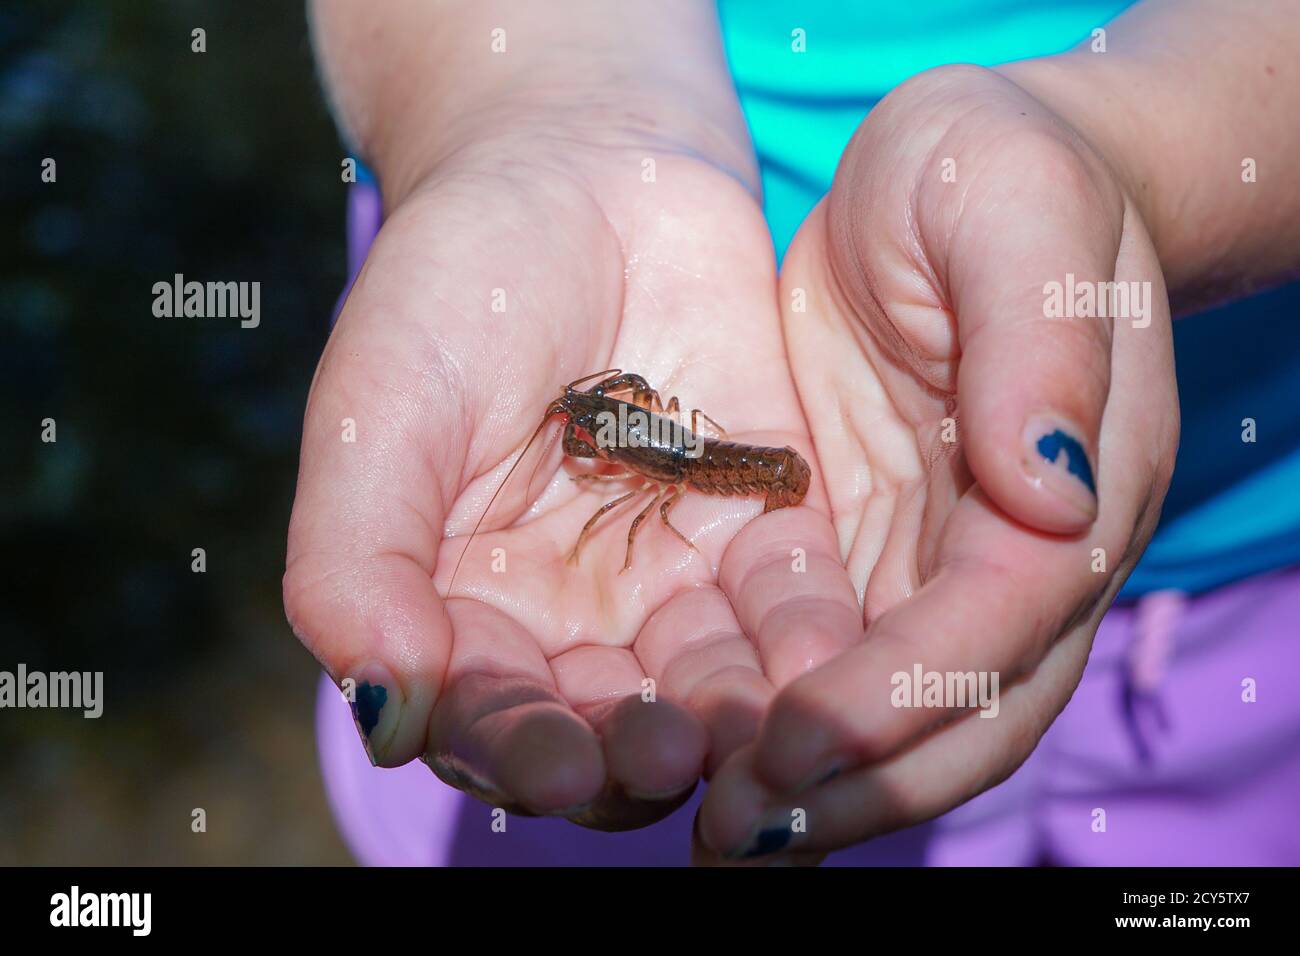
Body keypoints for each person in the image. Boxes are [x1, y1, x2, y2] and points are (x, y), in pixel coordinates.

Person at [286, 0, 1300, 865]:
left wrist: (1139, 153)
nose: (587, 433)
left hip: (1259, 611)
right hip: (809, 624)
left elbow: (641, 480)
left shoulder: (673, 455)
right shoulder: (631, 427)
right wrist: (529, 112)